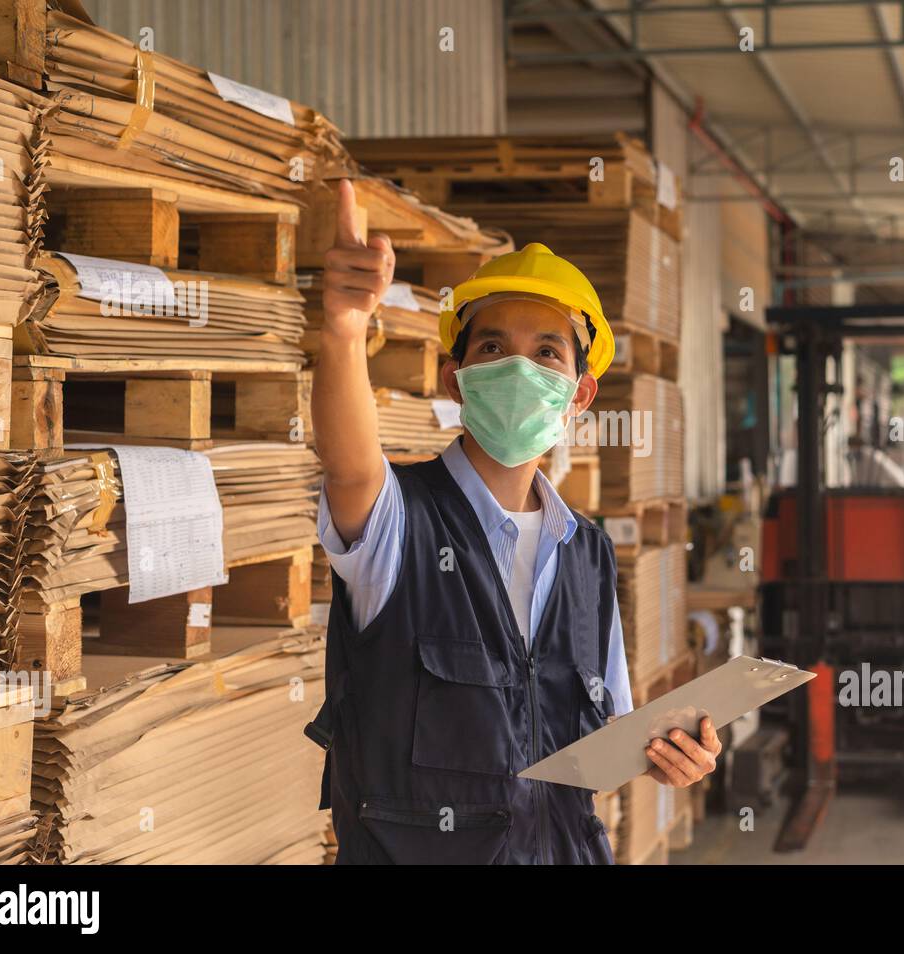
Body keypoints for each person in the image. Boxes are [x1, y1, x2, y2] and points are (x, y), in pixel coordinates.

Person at [305, 180, 720, 865]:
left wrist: (671, 755)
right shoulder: (398, 522)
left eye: (547, 352)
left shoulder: (585, 553)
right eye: (493, 348)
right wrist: (346, 328)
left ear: (578, 395)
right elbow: (350, 468)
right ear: (455, 378)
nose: (519, 368)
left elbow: (603, 739)